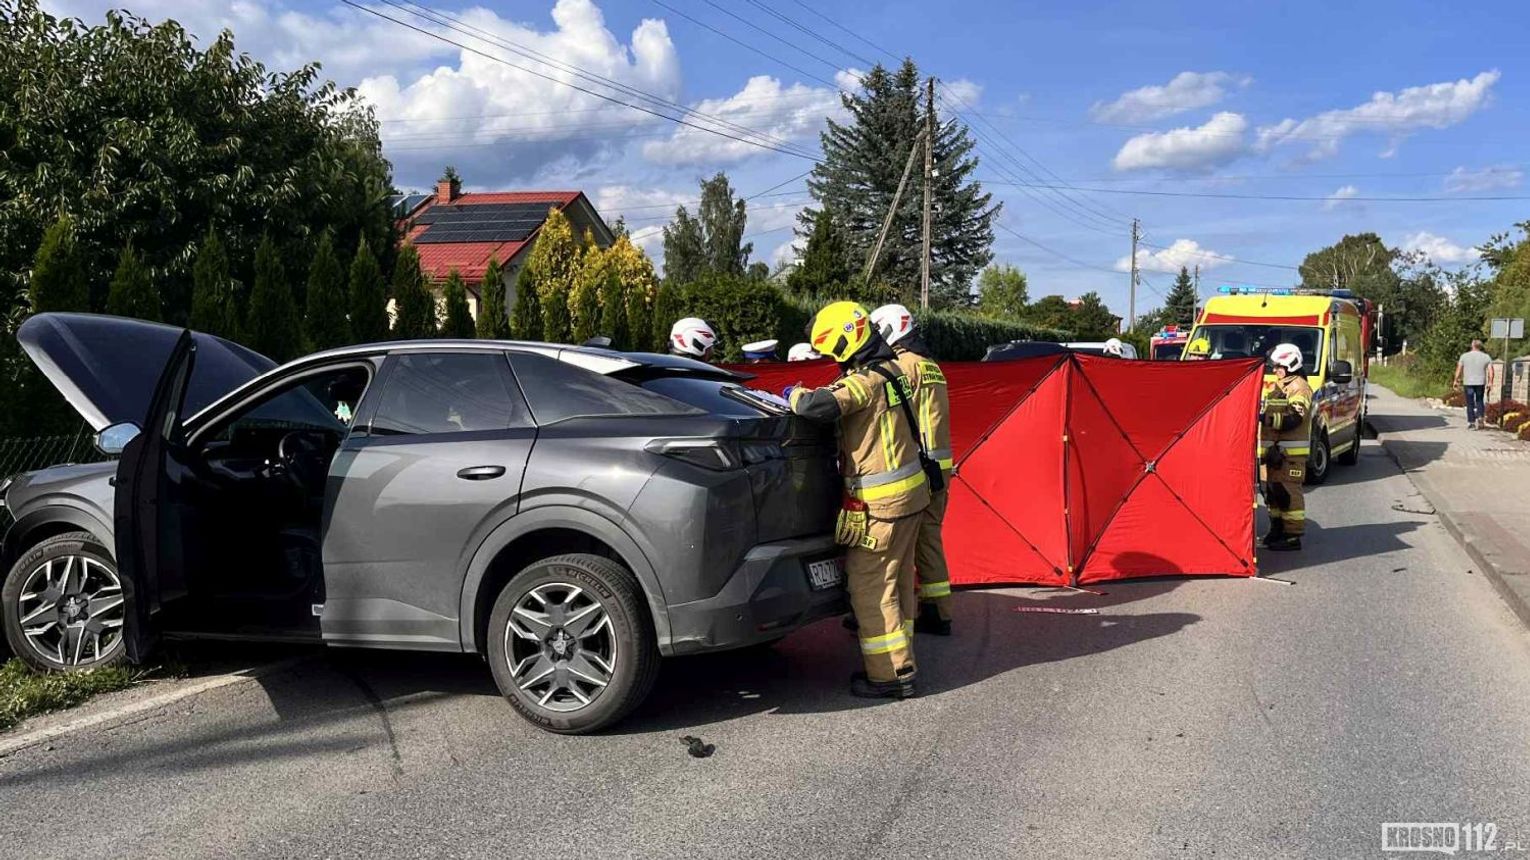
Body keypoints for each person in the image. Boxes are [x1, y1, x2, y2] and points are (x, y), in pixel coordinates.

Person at [789, 301, 930, 699]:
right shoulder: (896, 370)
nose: (833, 359)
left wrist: (793, 393)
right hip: (911, 497)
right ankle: (905, 660)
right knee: (899, 582)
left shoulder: (863, 382)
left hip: (881, 506)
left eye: (833, 350)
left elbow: (818, 405)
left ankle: (888, 677)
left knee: (870, 589)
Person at [871, 303, 953, 635]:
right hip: (940, 463)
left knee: (901, 543)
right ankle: (937, 610)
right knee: (929, 537)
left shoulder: (903, 367)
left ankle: (897, 619)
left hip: (919, 465)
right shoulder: (930, 366)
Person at [1260, 343, 1313, 551]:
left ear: (1290, 364)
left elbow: (1295, 418)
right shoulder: (1280, 386)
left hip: (1289, 454)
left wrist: (1265, 418)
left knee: (1289, 494)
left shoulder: (1299, 387)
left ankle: (1292, 536)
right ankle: (1277, 530)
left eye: (1278, 366)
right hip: (1276, 453)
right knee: (1274, 493)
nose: (1274, 371)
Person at [1453, 339, 1495, 430]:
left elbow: (1459, 369)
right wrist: (1490, 382)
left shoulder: (1464, 356)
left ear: (1472, 345)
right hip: (1480, 382)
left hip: (1468, 382)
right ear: (1480, 346)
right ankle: (1480, 418)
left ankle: (1471, 422)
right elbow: (1491, 371)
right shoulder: (1486, 357)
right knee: (1480, 400)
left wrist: (1456, 380)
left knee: (1470, 402)